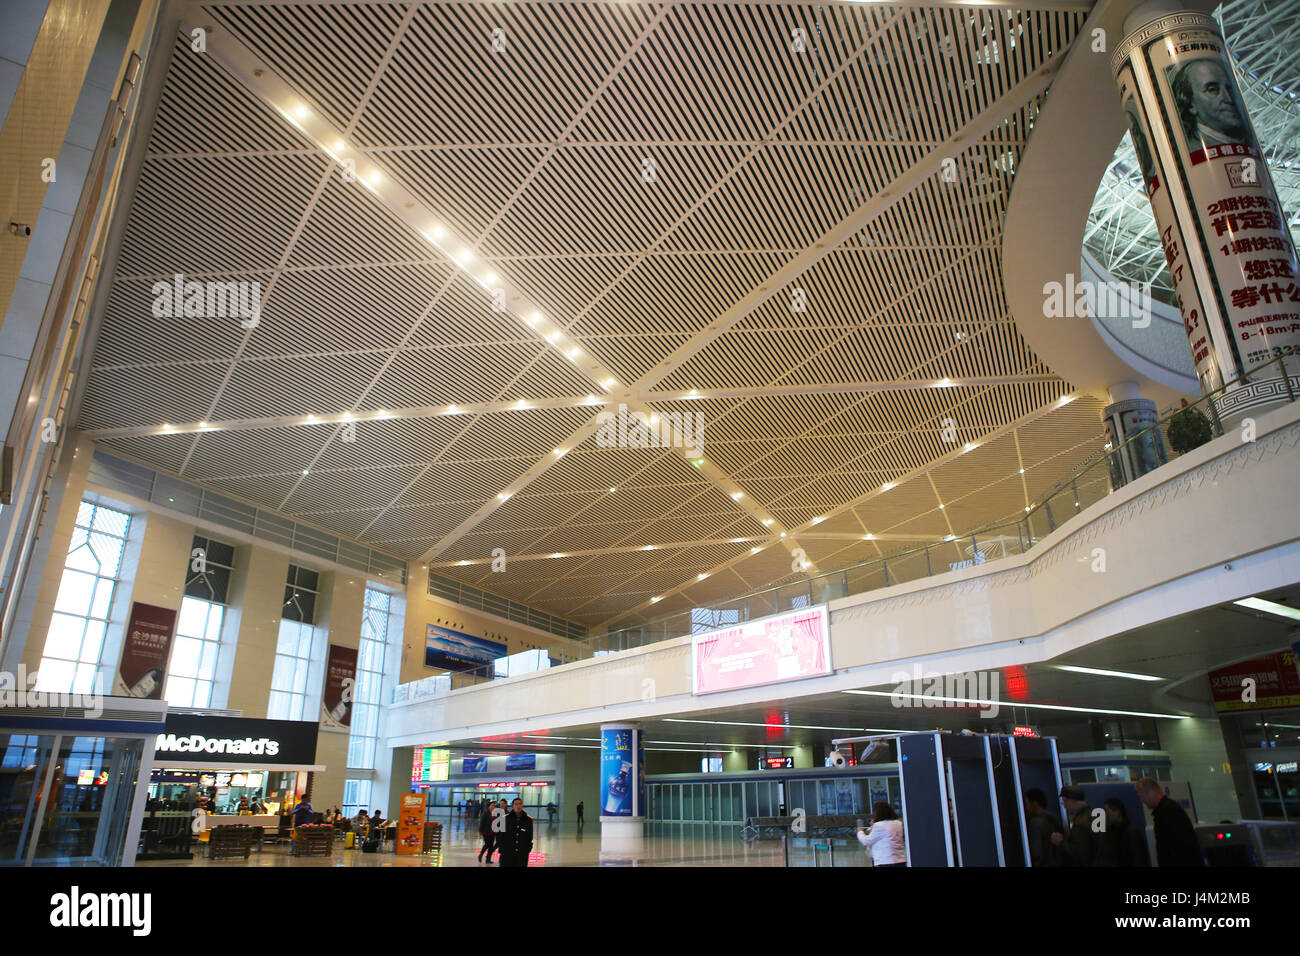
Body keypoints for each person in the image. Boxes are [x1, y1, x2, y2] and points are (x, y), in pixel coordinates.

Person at [1172, 57, 1248, 148]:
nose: (1229, 99)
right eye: (1212, 90)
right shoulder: (1189, 148)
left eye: (1230, 90)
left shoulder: (1246, 142)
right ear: (1190, 104)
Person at [1136, 778, 1203, 867]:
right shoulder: (1168, 810)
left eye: (1142, 796)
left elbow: (1182, 848)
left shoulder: (1168, 812)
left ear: (1151, 792)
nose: (1142, 800)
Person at [1051, 785, 1100, 866]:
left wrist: (1060, 842)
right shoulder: (1095, 816)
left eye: (1064, 802)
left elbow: (1079, 855)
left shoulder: (1080, 823)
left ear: (1071, 801)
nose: (1064, 806)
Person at [1096, 798, 1147, 867]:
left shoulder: (1131, 833)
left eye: (1107, 811)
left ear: (1117, 811)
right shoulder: (1108, 832)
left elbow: (1139, 859)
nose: (1106, 815)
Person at [856, 802, 906, 867]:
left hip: (885, 861)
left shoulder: (879, 825)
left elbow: (866, 841)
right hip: (900, 860)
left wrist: (860, 832)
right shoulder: (899, 823)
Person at [1025, 788, 1063, 867]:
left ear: (1034, 804)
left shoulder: (1036, 823)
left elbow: (1037, 852)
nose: (1027, 808)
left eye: (1027, 804)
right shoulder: (1055, 819)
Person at [497, 798, 533, 867]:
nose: (518, 806)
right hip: (507, 853)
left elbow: (529, 837)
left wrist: (528, 849)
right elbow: (499, 836)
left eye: (520, 804)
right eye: (516, 804)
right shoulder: (504, 819)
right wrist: (502, 849)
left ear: (522, 806)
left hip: (522, 854)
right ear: (512, 806)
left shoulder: (528, 820)